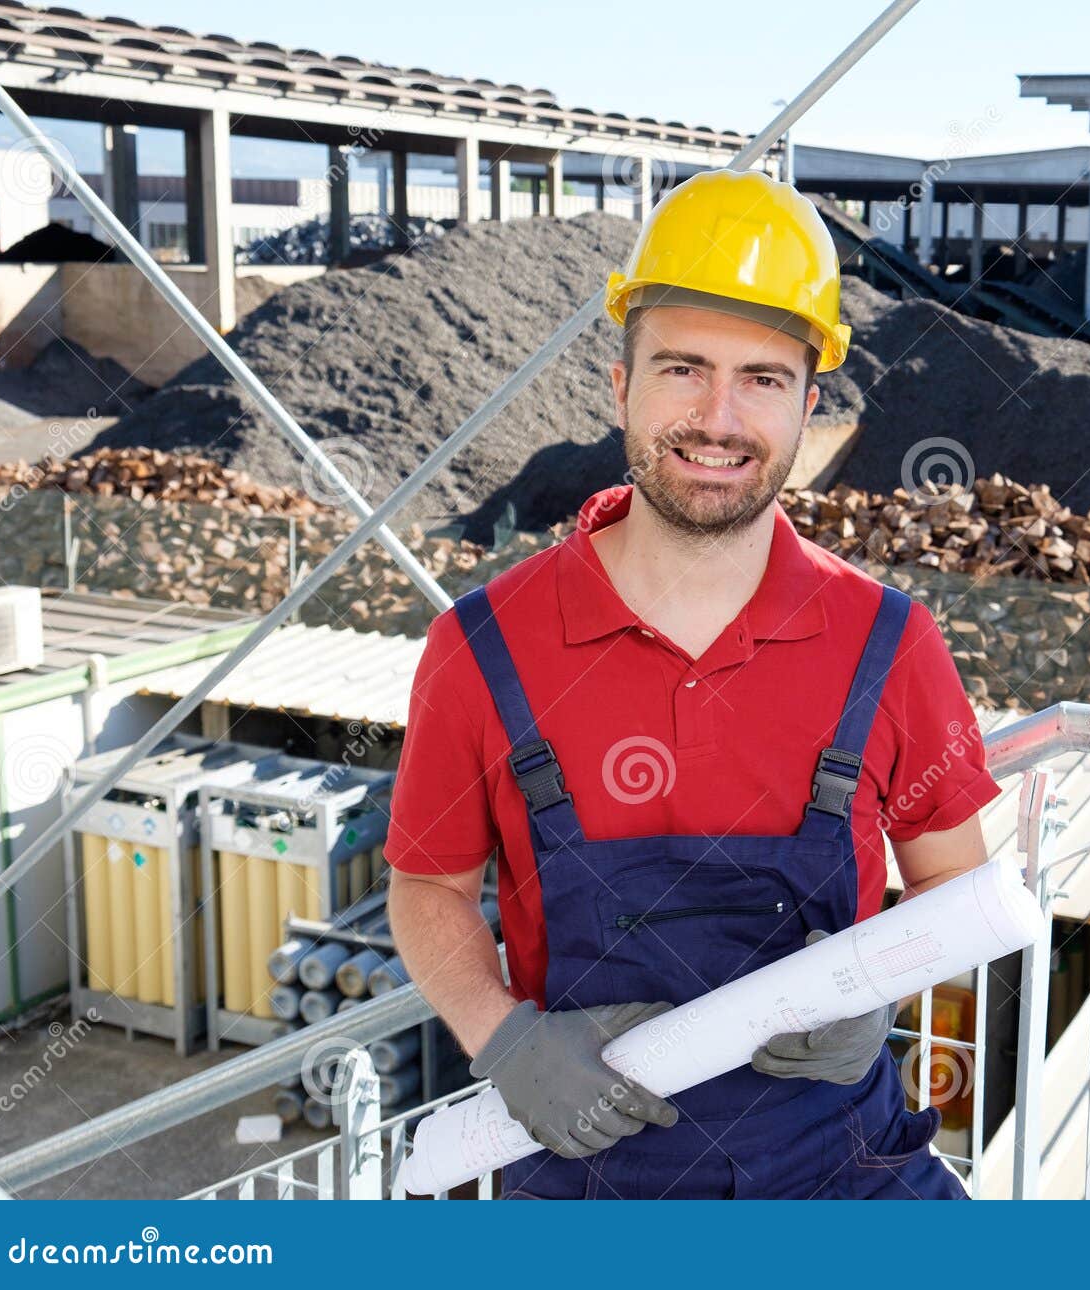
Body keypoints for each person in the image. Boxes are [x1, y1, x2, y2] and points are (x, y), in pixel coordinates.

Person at [385, 168, 1001, 1200]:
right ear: (621, 386)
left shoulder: (888, 643)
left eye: (761, 379)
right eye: (683, 369)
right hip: (587, 1188)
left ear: (807, 405)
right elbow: (428, 886)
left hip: (841, 1179)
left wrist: (877, 994)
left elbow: (953, 885)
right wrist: (502, 1042)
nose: (719, 418)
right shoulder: (481, 648)